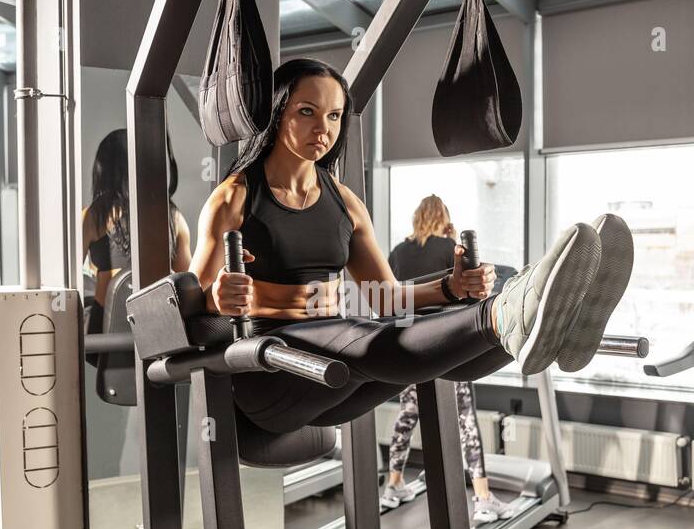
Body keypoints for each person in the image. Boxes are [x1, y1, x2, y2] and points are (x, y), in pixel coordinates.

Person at [190, 58, 632, 505]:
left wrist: (452, 289)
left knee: (421, 348)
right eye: (307, 111)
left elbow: (387, 300)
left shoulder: (344, 203)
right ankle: (503, 314)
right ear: (279, 111)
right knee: (365, 336)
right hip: (268, 373)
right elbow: (188, 304)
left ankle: (544, 327)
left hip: (331, 374)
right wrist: (217, 295)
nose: (322, 128)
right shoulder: (234, 196)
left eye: (334, 115)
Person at [383, 195, 513, 524]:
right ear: (444, 218)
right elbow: (469, 293)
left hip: (410, 347)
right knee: (466, 418)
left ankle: (393, 484)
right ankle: (483, 497)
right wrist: (454, 240)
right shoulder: (449, 248)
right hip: (447, 345)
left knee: (407, 414)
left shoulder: (399, 252)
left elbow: (388, 299)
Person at [82, 127, 191, 349]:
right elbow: (186, 280)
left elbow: (68, 278)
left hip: (107, 327)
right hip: (158, 322)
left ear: (104, 171)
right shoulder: (172, 215)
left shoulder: (94, 216)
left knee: (111, 378)